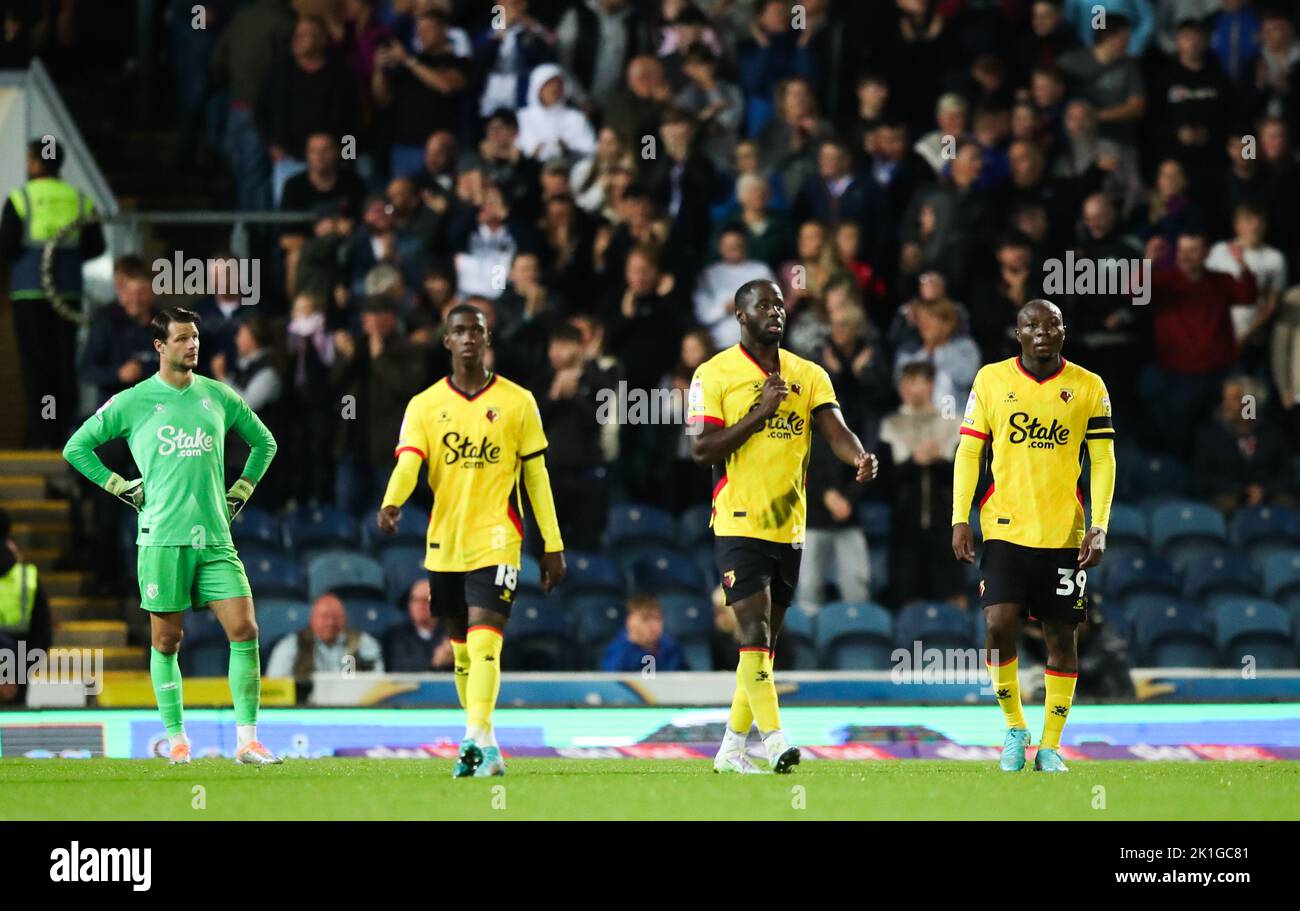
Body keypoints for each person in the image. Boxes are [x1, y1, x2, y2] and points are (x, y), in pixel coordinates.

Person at [62, 307, 281, 765]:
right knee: (167, 642)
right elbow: (76, 447)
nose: (193, 345)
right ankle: (178, 741)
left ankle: (247, 741)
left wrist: (242, 489)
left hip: (216, 539)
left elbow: (266, 442)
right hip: (162, 539)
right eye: (182, 338)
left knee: (244, 629)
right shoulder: (133, 400)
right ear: (160, 347)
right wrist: (118, 485)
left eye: (196, 336)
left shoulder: (218, 395)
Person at [688, 278, 878, 774]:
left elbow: (834, 429)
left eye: (779, 304)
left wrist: (858, 456)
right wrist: (760, 412)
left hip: (790, 525)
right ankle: (774, 740)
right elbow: (702, 449)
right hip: (737, 520)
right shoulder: (713, 373)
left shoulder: (809, 373)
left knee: (764, 644)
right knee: (753, 630)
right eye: (762, 305)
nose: (775, 311)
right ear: (740, 316)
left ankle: (731, 748)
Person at [376, 303, 566, 778]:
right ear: (446, 341)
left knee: (486, 643)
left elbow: (537, 478)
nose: (467, 338)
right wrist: (392, 500)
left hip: (499, 539)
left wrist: (552, 543)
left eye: (475, 330)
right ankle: (486, 741)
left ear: (487, 339)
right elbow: (409, 463)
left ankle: (472, 740)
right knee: (461, 650)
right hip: (445, 543)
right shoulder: (424, 405)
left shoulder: (519, 401)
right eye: (458, 331)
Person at [951, 299, 1116, 774]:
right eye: (1031, 325)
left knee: (1062, 638)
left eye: (1051, 325)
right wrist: (959, 516)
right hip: (1004, 528)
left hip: (1065, 532)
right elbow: (968, 452)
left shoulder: (1088, 386)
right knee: (998, 623)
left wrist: (1100, 526)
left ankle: (1050, 745)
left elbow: (1103, 460)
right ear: (1017, 333)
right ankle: (1013, 728)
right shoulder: (991, 380)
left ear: (1064, 332)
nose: (1042, 332)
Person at [1, 138, 106, 448]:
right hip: (68, 294)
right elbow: (95, 245)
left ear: (35, 162)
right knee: (63, 362)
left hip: (30, 294)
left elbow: (6, 246)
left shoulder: (21, 198)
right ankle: (63, 431)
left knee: (37, 365)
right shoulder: (79, 199)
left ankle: (41, 434)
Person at [879, 362, 964, 608]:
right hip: (906, 529)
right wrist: (914, 462)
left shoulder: (953, 425)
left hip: (945, 525)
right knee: (909, 599)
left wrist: (937, 460)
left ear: (930, 385)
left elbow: (966, 478)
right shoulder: (891, 426)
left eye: (916, 382)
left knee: (953, 597)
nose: (910, 389)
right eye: (906, 383)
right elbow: (884, 481)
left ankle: (957, 644)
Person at [265, 594, 385, 696]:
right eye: (324, 617)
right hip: (306, 711)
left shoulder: (363, 643)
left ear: (345, 619)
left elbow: (378, 683)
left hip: (353, 709)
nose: (330, 622)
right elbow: (275, 685)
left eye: (336, 617)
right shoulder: (291, 645)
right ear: (312, 619)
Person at [600, 593, 686, 672]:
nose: (654, 625)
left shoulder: (671, 648)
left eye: (657, 618)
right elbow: (614, 679)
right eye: (646, 619)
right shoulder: (617, 651)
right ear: (631, 622)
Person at [383, 578, 454, 672]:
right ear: (409, 604)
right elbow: (400, 669)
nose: (420, 605)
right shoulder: (395, 635)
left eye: (426, 600)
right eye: (415, 600)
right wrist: (436, 663)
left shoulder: (452, 632)